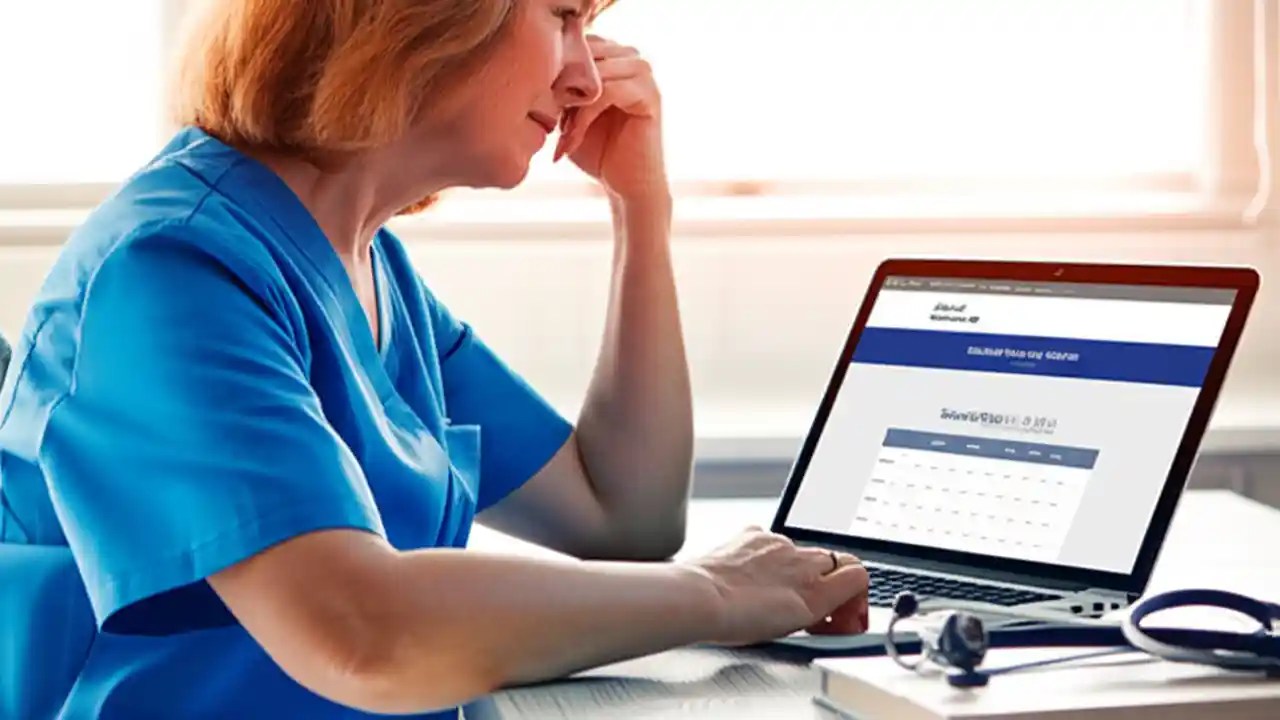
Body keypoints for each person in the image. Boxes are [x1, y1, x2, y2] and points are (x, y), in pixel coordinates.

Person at [0, 0, 872, 717]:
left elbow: (625, 515)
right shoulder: (170, 269)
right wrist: (714, 597)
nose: (588, 77)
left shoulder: (372, 269)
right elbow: (361, 635)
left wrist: (641, 211)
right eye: (563, 16)